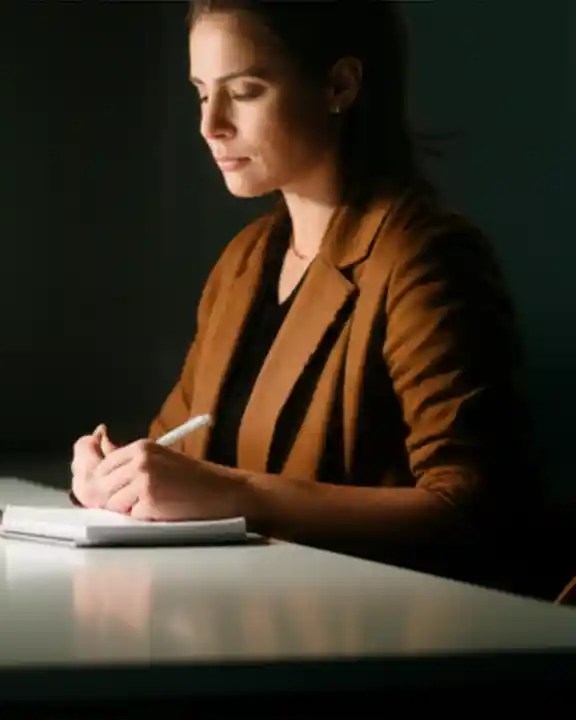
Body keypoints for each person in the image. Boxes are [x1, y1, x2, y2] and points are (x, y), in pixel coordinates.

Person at [69, 0, 550, 596]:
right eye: (201, 93)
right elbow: (179, 459)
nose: (210, 124)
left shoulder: (423, 257)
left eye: (244, 91)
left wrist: (239, 495)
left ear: (339, 85)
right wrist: (116, 481)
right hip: (241, 614)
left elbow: (476, 509)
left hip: (377, 627)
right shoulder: (244, 262)